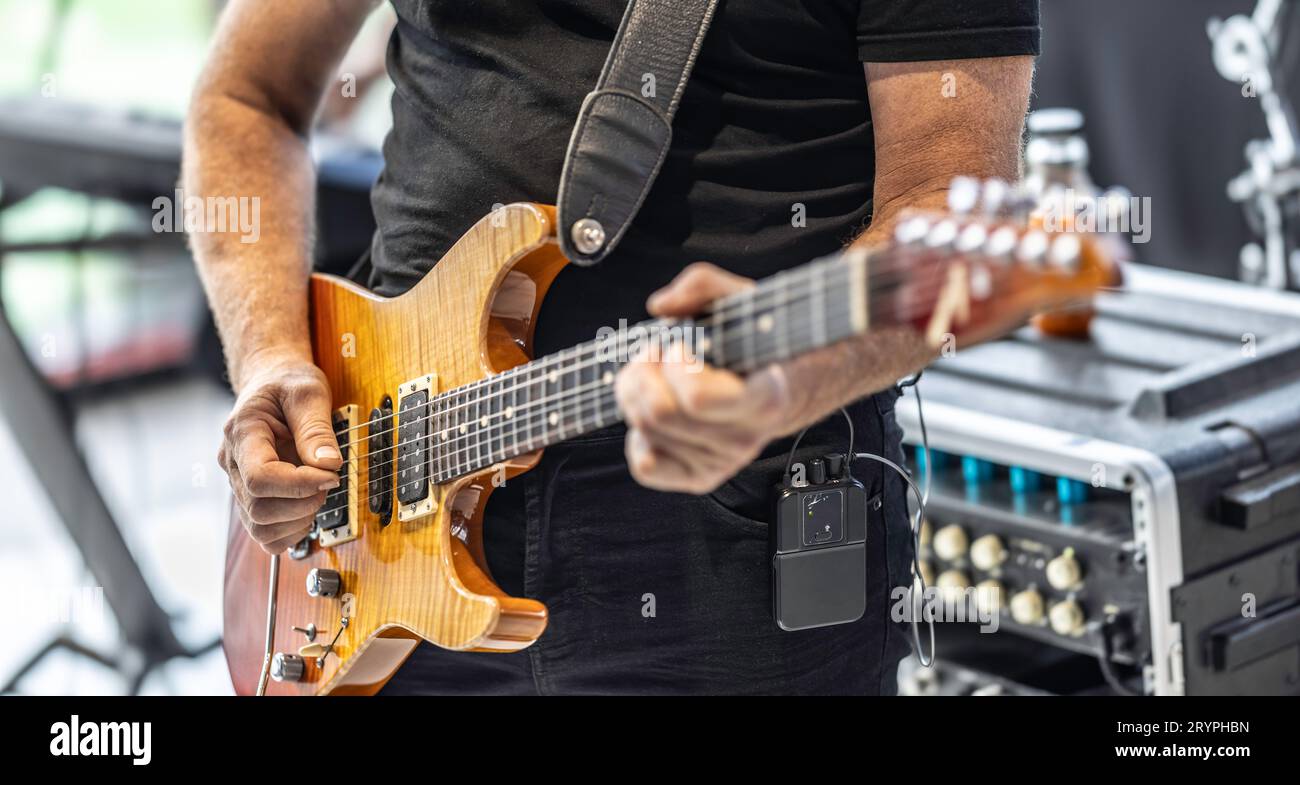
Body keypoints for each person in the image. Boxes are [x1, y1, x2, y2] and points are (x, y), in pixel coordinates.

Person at [184, 0, 1038, 695]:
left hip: (740, 537)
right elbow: (246, 96)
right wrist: (269, 355)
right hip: (376, 512)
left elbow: (954, 213)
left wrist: (791, 381)